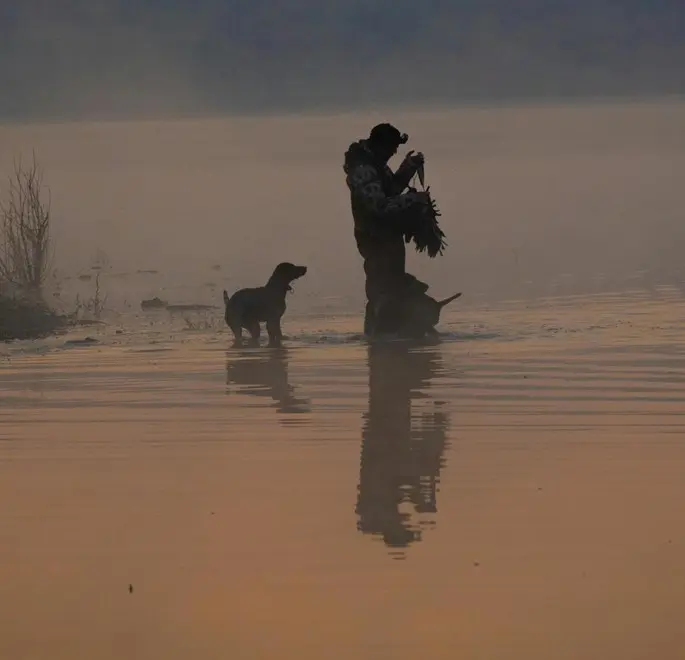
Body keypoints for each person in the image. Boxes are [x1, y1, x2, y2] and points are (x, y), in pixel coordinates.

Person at [343, 123, 434, 336]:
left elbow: (390, 188)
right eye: (392, 148)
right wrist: (412, 200)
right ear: (381, 145)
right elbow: (378, 207)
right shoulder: (364, 170)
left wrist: (408, 167)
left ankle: (385, 339)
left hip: (386, 235)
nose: (394, 153)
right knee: (382, 287)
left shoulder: (375, 162)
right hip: (373, 237)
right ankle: (381, 335)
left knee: (391, 282)